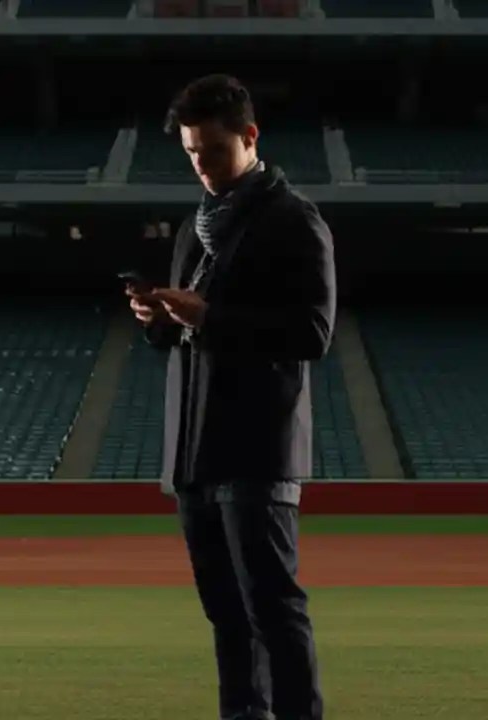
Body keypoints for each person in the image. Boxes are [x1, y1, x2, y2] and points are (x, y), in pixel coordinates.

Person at [125, 74, 336, 720]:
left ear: (250, 137)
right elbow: (191, 332)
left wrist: (209, 317)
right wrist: (162, 321)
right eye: (191, 153)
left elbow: (313, 332)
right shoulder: (198, 226)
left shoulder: (294, 218)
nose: (203, 166)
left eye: (214, 151)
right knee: (226, 615)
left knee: (272, 609)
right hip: (196, 452)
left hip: (256, 448)